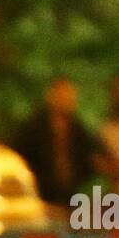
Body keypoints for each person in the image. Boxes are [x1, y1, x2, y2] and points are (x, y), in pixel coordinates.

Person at [12, 77, 97, 205]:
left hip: (71, 195)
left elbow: (88, 159)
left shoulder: (78, 130)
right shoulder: (33, 129)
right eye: (61, 95)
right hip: (40, 193)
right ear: (51, 97)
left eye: (69, 96)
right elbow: (20, 156)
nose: (66, 100)